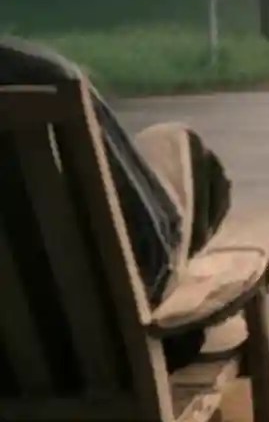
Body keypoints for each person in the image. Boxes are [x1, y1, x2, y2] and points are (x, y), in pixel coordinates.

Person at [0, 36, 233, 370]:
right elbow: (150, 257)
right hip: (102, 354)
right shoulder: (44, 78)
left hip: (10, 371)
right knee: (176, 144)